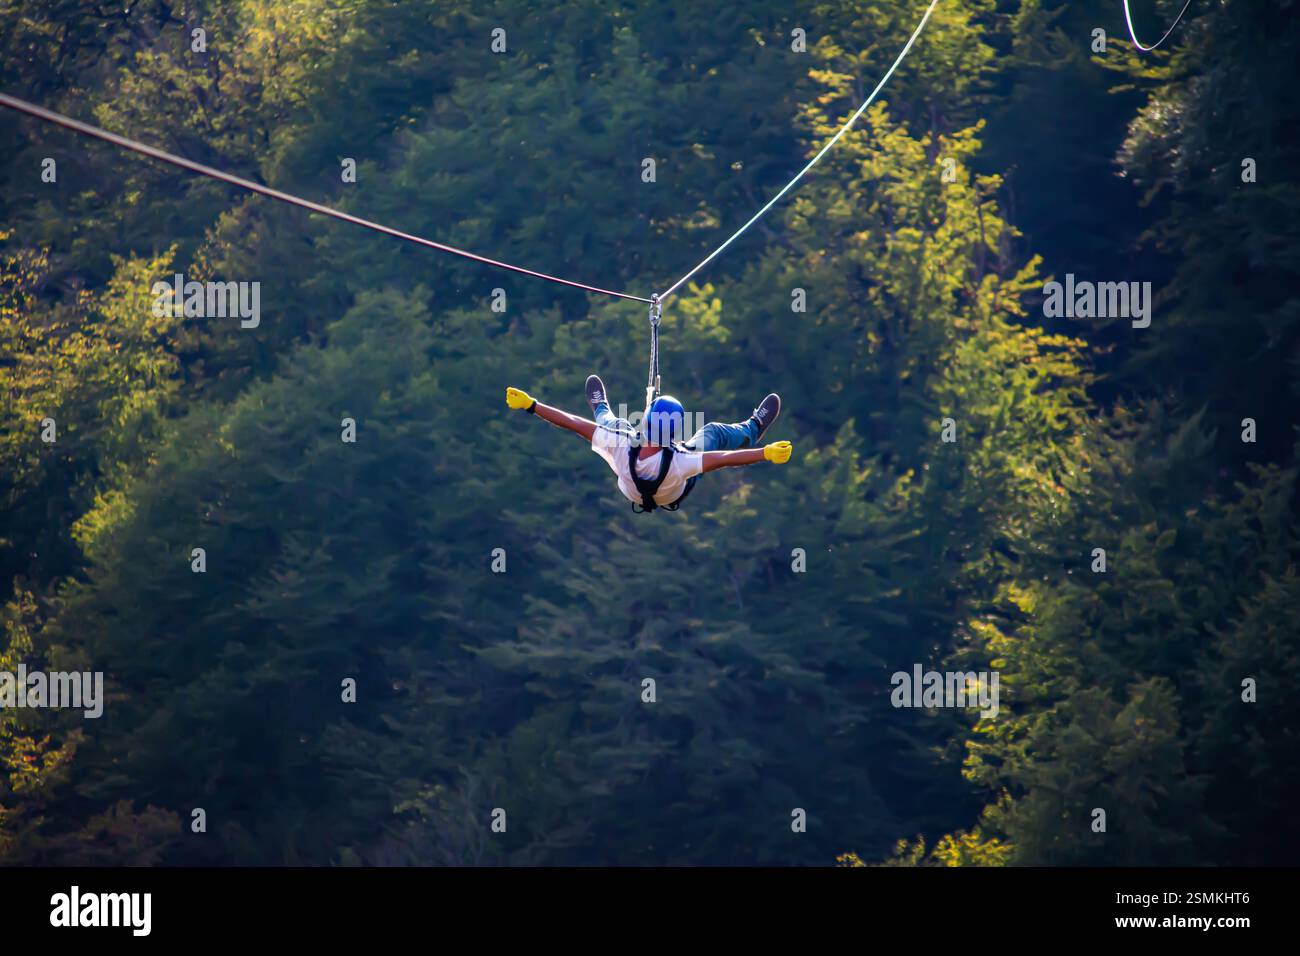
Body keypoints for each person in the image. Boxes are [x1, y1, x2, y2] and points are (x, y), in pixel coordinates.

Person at [504, 375, 792, 512]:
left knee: (610, 424)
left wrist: (533, 405)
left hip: (632, 489)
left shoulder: (622, 445)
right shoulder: (681, 462)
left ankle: (600, 406)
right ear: (675, 433)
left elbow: (572, 423)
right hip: (671, 492)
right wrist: (764, 453)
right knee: (712, 433)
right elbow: (725, 458)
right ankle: (752, 429)